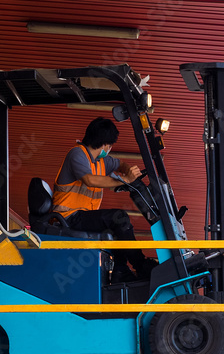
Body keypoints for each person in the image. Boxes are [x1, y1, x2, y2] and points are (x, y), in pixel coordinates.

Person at [52, 117, 157, 282]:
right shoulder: (77, 154)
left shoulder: (101, 161)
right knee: (119, 217)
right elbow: (90, 180)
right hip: (68, 216)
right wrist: (124, 180)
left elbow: (120, 164)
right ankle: (141, 265)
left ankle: (120, 271)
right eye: (110, 145)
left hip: (83, 216)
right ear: (105, 144)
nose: (110, 149)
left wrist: (128, 172)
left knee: (116, 227)